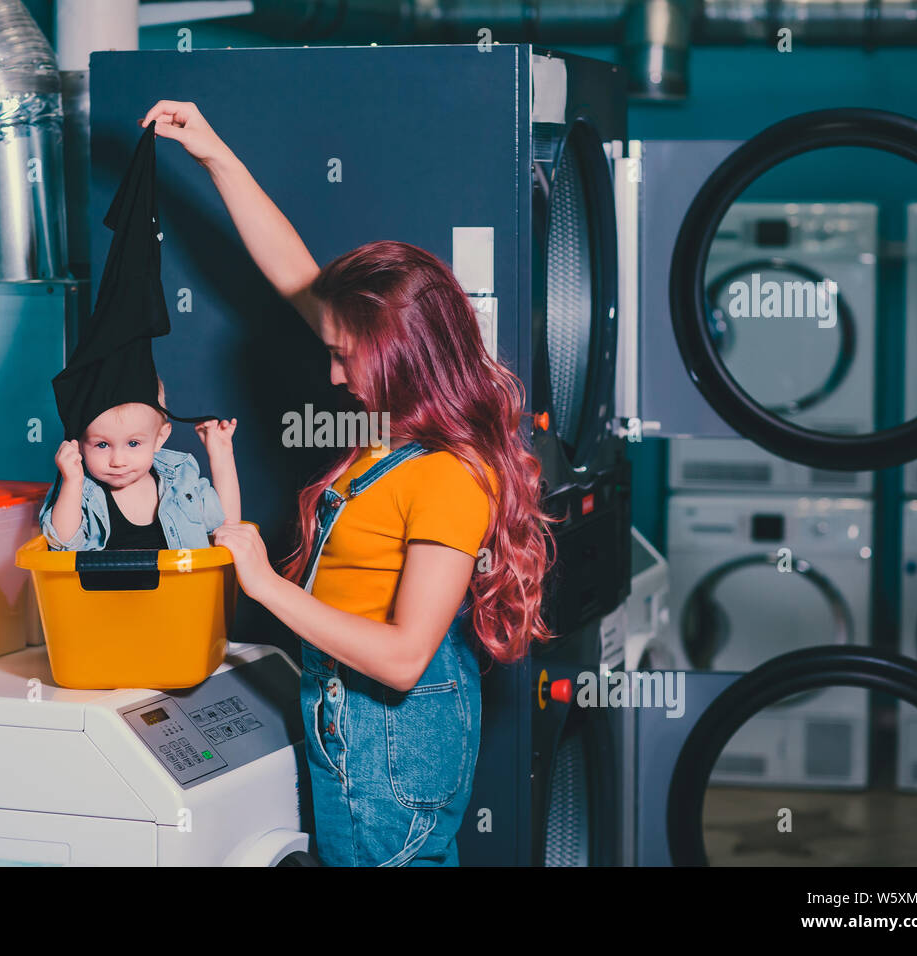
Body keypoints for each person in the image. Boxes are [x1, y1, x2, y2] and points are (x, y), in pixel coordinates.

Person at [141, 102, 554, 866]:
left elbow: (402, 658)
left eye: (345, 358)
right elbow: (294, 270)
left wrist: (263, 584)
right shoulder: (395, 429)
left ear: (402, 357)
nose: (332, 376)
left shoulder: (447, 478)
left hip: (389, 750)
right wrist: (214, 156)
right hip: (354, 726)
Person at [40, 377, 241, 551]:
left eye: (133, 443)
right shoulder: (79, 489)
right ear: (80, 444)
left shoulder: (181, 480)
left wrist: (222, 455)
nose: (118, 461)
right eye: (102, 444)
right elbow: (62, 543)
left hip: (180, 594)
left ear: (160, 438)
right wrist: (72, 482)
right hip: (103, 595)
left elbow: (228, 527)